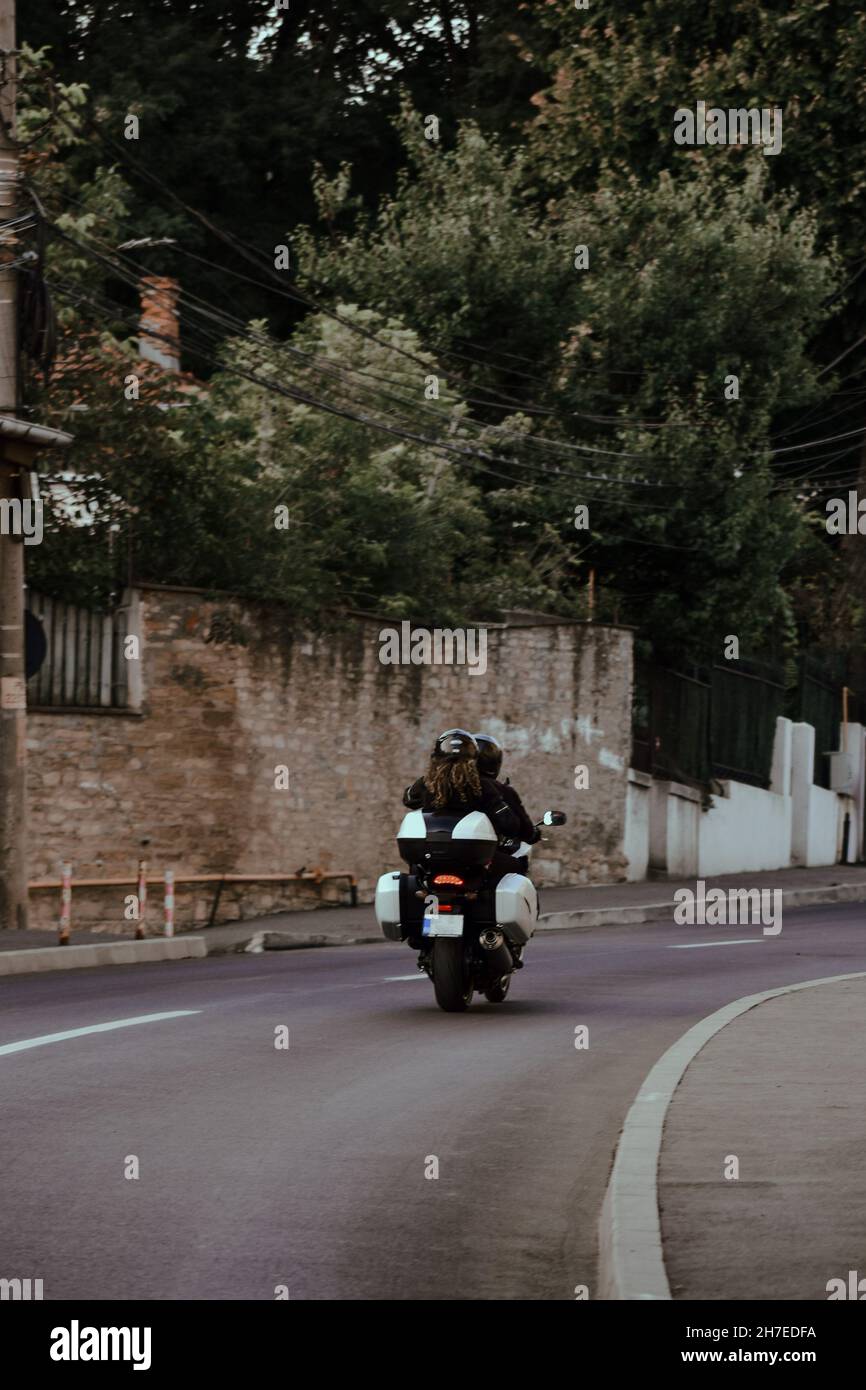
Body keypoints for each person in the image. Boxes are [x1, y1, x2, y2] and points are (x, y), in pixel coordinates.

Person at [402, 729, 522, 840]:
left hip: (430, 851)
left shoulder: (427, 782)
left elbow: (408, 799)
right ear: (474, 759)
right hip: (471, 854)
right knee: (515, 863)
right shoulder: (481, 785)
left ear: (436, 758)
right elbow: (509, 824)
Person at [473, 731, 541, 871]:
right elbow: (518, 827)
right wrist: (533, 834)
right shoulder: (498, 789)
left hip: (436, 854)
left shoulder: (439, 786)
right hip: (480, 857)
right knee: (519, 865)